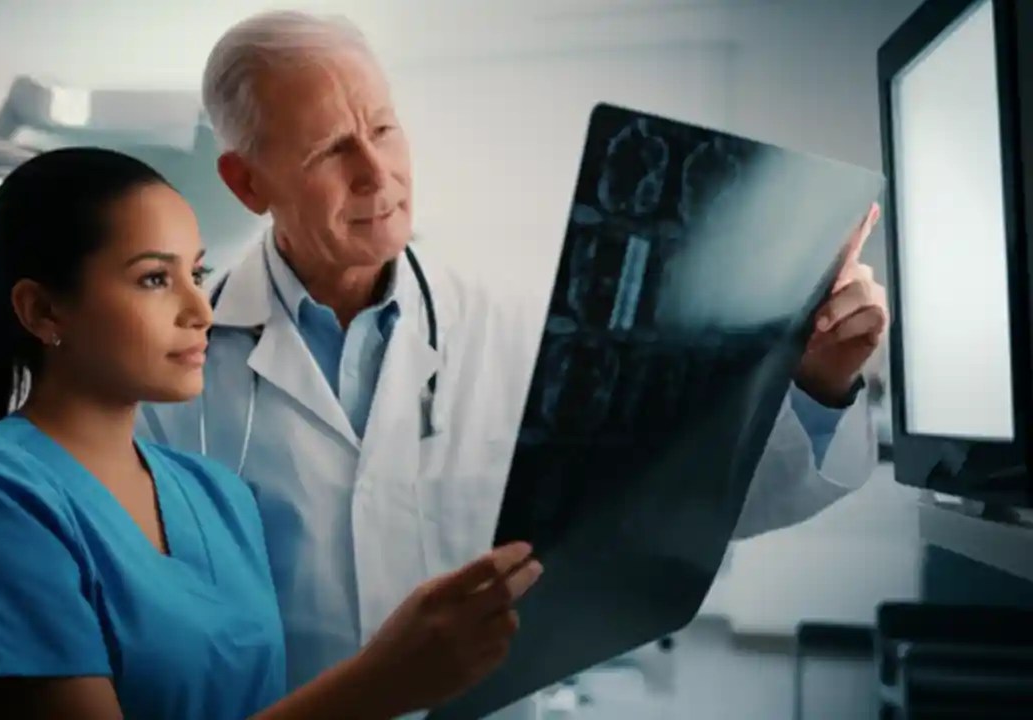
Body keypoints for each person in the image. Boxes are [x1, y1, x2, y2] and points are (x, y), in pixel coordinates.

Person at [137, 9, 892, 719]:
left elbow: (690, 500)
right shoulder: (166, 377)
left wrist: (819, 381)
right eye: (330, 149)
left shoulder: (519, 326)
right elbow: (145, 639)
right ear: (247, 182)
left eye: (383, 129)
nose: (377, 174)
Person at [0, 147, 544, 720]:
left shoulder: (218, 495)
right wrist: (376, 684)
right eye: (155, 278)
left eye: (195, 272)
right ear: (43, 309)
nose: (200, 308)